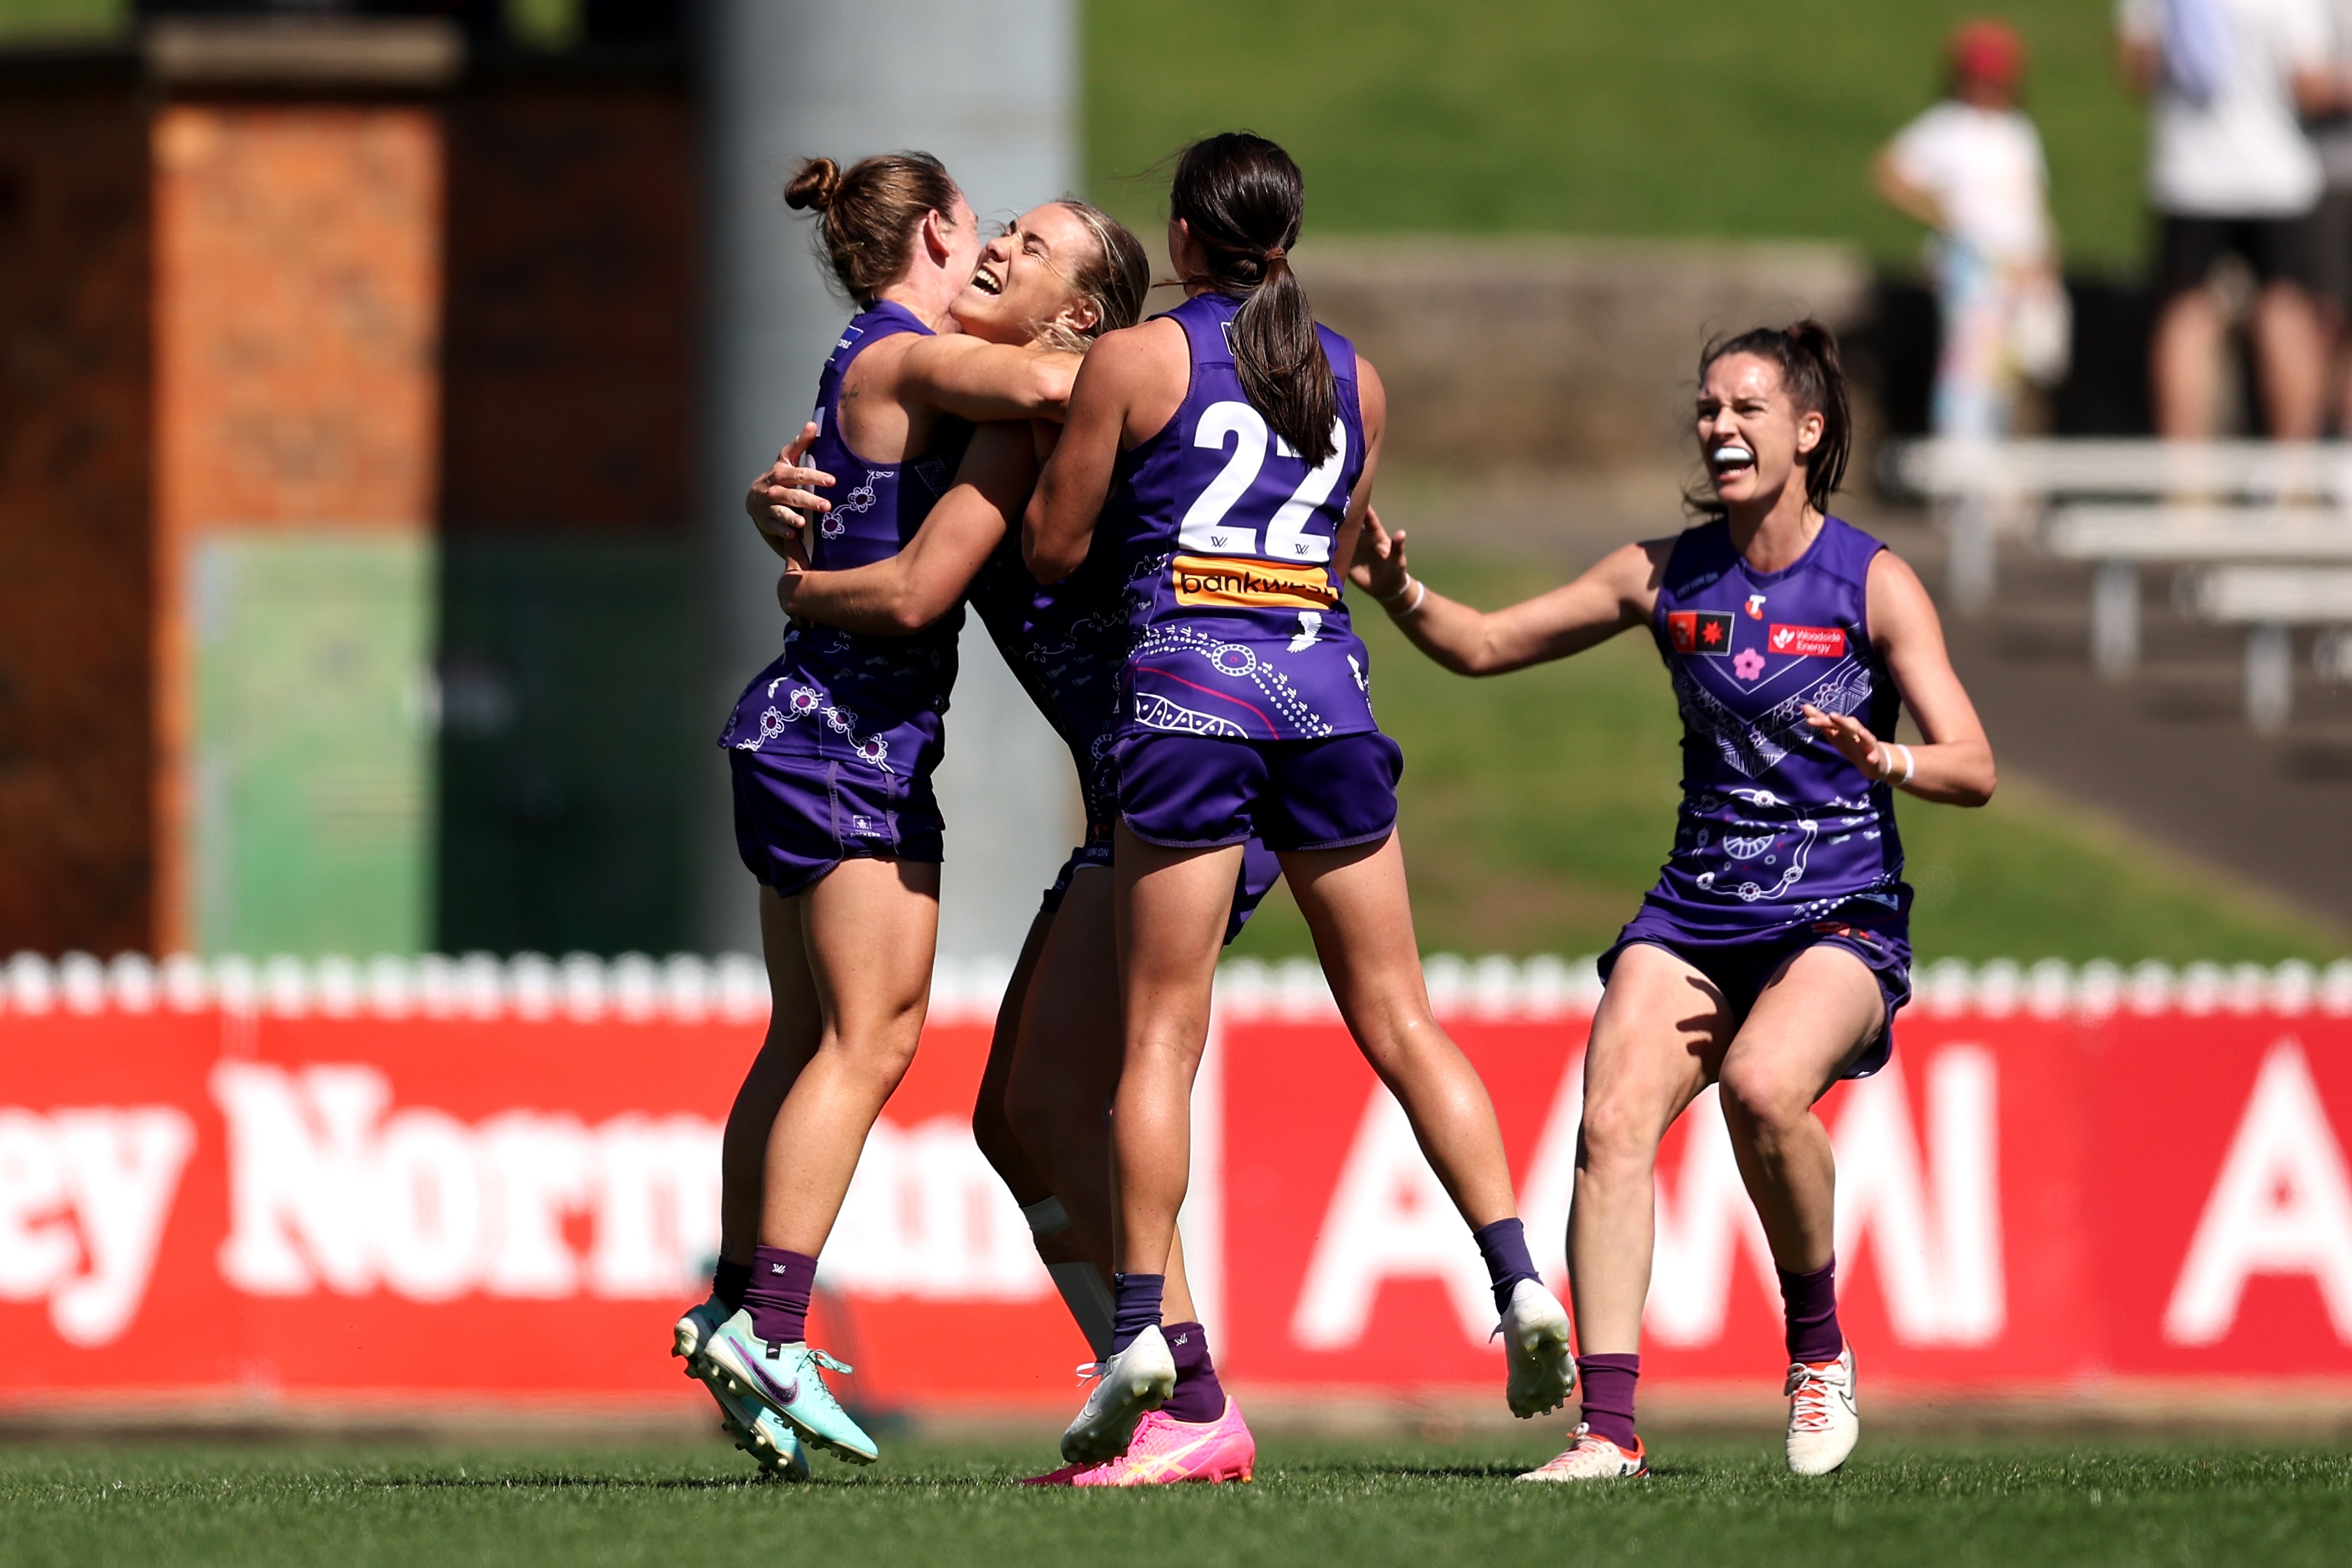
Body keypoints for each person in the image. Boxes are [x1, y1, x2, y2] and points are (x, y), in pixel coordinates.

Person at [1349, 322, 1996, 1480]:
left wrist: (1885, 761)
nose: (1721, 426)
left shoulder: (1873, 580)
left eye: (1747, 406)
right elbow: (1488, 643)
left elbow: (1973, 764)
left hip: (1838, 914)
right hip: (1695, 911)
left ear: (1809, 430)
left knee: (1761, 1087)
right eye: (1708, 408)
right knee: (1608, 1126)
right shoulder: (1663, 572)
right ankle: (1606, 1433)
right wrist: (1401, 591)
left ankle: (1816, 1352)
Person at [1022, 131, 1577, 1468]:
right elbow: (1330, 548)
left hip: (1188, 704)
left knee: (1159, 1038)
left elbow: (1051, 546)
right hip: (1325, 698)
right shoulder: (1357, 378)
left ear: (1186, 236)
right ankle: (1517, 1279)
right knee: (1400, 1015)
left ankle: (1146, 1323)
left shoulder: (1138, 359)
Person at [747, 197, 1269, 1486]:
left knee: (1054, 1099)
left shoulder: (1062, 412)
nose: (997, 251)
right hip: (1137, 802)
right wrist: (792, 497)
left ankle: (1187, 1394)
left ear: (1085, 317)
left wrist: (800, 585)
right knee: (1012, 1122)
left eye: (1031, 249)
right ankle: (1159, 1390)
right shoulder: (1005, 413)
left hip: (1186, 797)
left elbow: (921, 588)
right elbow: (895, 488)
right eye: (1001, 234)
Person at [676, 151, 1088, 1477]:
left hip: (799, 729)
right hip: (850, 744)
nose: (993, 254)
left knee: (804, 1033)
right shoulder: (905, 356)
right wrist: (1176, 367)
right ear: (936, 232)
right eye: (985, 231)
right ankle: (775, 1329)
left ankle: (739, 1305)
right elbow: (1038, 381)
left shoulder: (862, 358)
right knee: (873, 1034)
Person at [2118, 0, 2336, 438]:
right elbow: (2308, 84)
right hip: (2278, 176)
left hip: (2190, 174)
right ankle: (2295, 478)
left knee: (2189, 315)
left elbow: (2136, 67)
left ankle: (2185, 480)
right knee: (2284, 313)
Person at [1874, 19, 2069, 438]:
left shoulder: (2018, 132)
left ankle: (1989, 477)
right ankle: (1960, 474)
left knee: (2005, 378)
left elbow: (2034, 205)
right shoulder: (1946, 126)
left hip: (2020, 269)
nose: (1985, 88)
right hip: (1976, 265)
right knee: (1967, 372)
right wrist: (1944, 216)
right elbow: (1889, 173)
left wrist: (2047, 260)